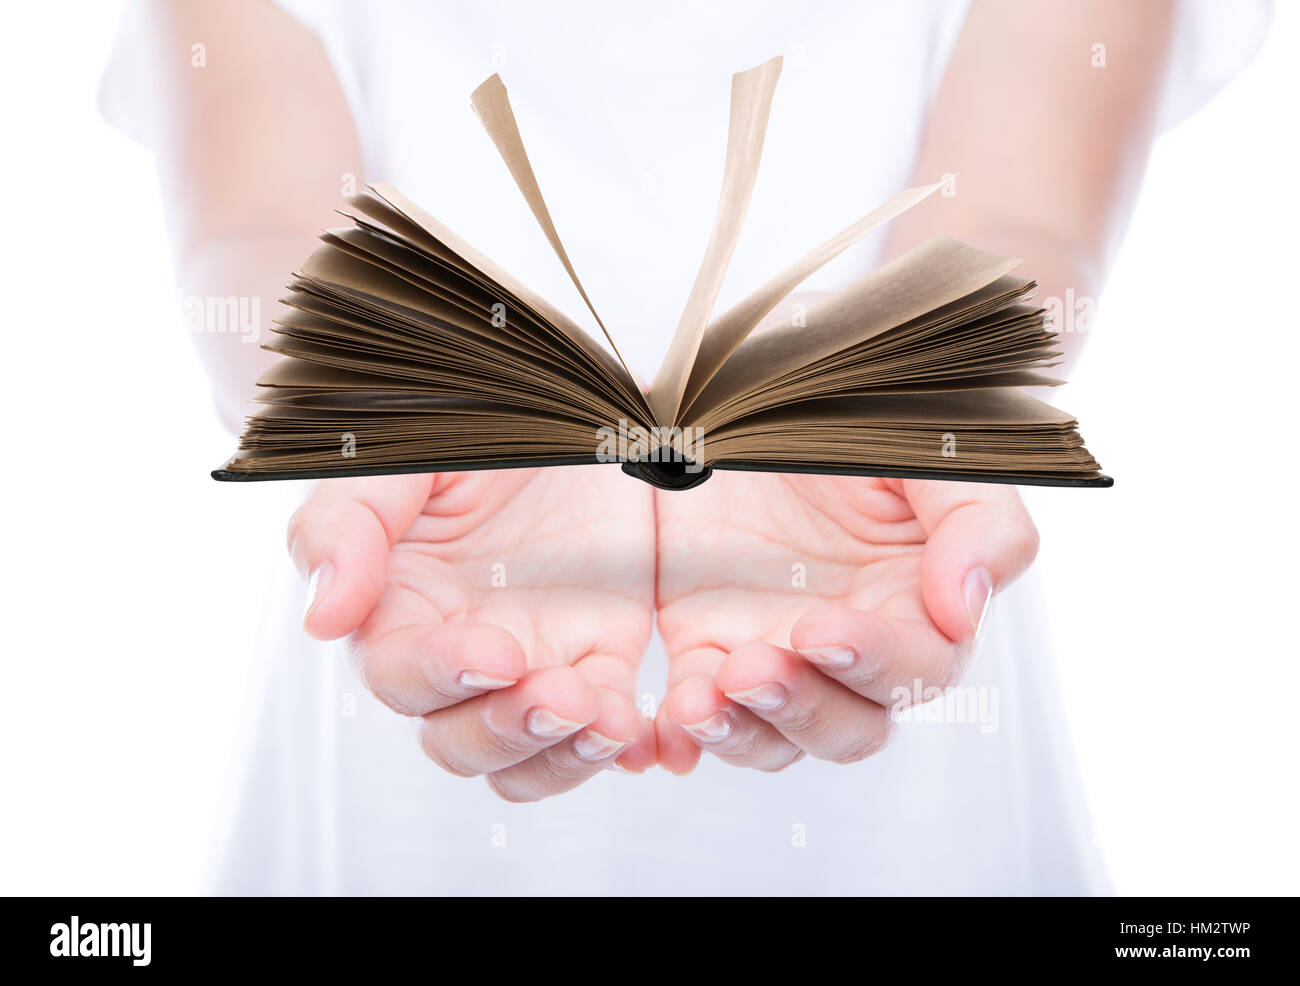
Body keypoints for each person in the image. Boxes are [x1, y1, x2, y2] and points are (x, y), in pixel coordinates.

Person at [102, 0, 1269, 893]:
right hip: (421, 597)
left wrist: (894, 401)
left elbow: (1020, 221)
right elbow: (256, 234)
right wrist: (410, 405)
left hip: (874, 587)